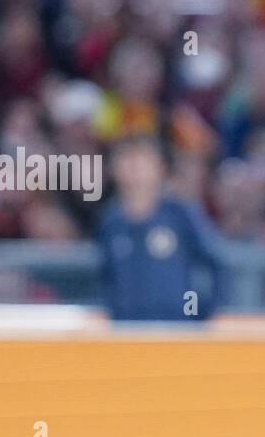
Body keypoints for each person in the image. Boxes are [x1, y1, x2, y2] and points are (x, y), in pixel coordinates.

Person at [97, 135, 226, 322]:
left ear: (159, 166)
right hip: (127, 330)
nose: (135, 168)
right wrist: (115, 313)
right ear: (114, 168)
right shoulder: (111, 221)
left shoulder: (179, 213)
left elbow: (214, 263)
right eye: (127, 159)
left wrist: (197, 311)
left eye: (143, 160)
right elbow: (107, 277)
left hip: (175, 329)